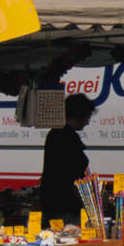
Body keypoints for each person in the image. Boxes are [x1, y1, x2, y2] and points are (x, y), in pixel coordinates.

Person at [40, 93, 96, 224]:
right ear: (80, 115)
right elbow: (73, 177)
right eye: (88, 116)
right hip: (67, 207)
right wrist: (88, 205)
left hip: (51, 203)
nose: (88, 122)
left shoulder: (54, 133)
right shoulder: (69, 138)